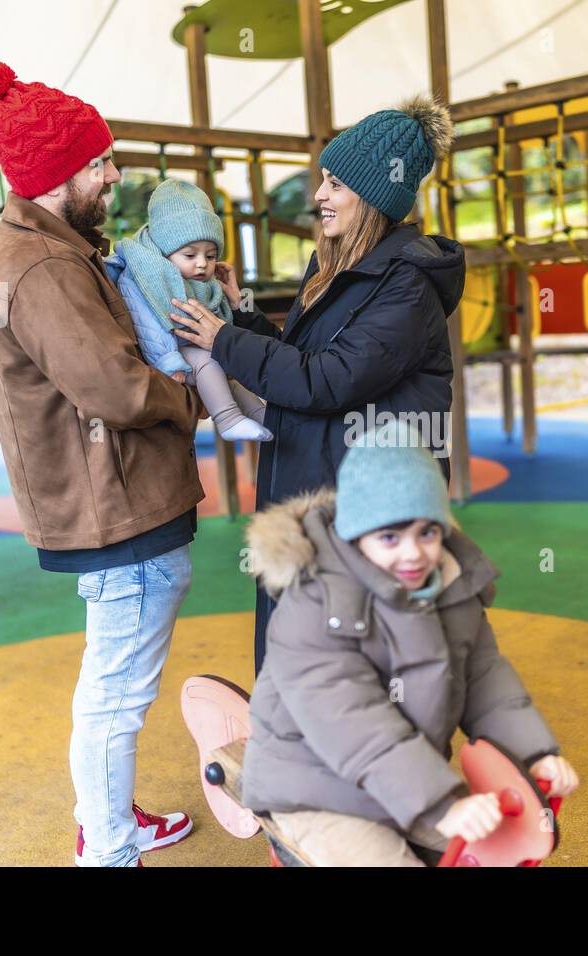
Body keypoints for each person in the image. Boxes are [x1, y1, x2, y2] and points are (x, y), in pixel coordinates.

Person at [0, 53, 201, 867]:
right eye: (99, 161)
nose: (112, 174)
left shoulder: (53, 249)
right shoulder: (40, 265)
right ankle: (105, 849)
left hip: (115, 503)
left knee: (114, 685)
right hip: (115, 509)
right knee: (115, 694)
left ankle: (108, 821)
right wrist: (193, 400)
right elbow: (115, 386)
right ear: (60, 171)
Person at [169, 94, 466, 673]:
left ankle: (378, 758)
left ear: (374, 197)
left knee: (356, 654)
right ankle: (299, 752)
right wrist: (240, 313)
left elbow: (327, 381)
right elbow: (304, 355)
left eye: (334, 185)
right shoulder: (337, 266)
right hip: (315, 483)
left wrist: (223, 342)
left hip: (364, 498)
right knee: (302, 640)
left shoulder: (407, 284)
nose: (320, 197)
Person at [239, 423, 578, 866]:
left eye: (427, 532)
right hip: (315, 790)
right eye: (389, 537)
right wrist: (442, 805)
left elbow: (485, 680)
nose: (413, 553)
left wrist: (535, 755)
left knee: (495, 851)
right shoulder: (315, 605)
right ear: (354, 534)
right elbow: (356, 728)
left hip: (404, 779)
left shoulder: (450, 587)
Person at [105, 179, 272, 443]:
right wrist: (170, 361)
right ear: (165, 253)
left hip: (194, 347)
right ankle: (228, 420)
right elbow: (146, 324)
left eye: (211, 255)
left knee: (230, 378)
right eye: (190, 255)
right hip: (172, 352)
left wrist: (238, 305)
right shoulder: (146, 277)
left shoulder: (202, 285)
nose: (202, 265)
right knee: (209, 363)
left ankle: (266, 418)